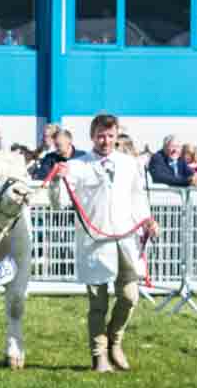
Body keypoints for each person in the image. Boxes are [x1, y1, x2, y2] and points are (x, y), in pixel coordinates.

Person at [50, 113, 158, 372]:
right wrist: (56, 180)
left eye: (110, 135)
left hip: (125, 239)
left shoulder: (128, 164)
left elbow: (137, 197)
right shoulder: (78, 166)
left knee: (130, 297)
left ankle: (115, 341)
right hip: (94, 242)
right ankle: (99, 355)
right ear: (92, 136)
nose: (105, 140)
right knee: (98, 303)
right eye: (100, 135)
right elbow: (59, 203)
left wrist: (147, 220)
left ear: (116, 135)